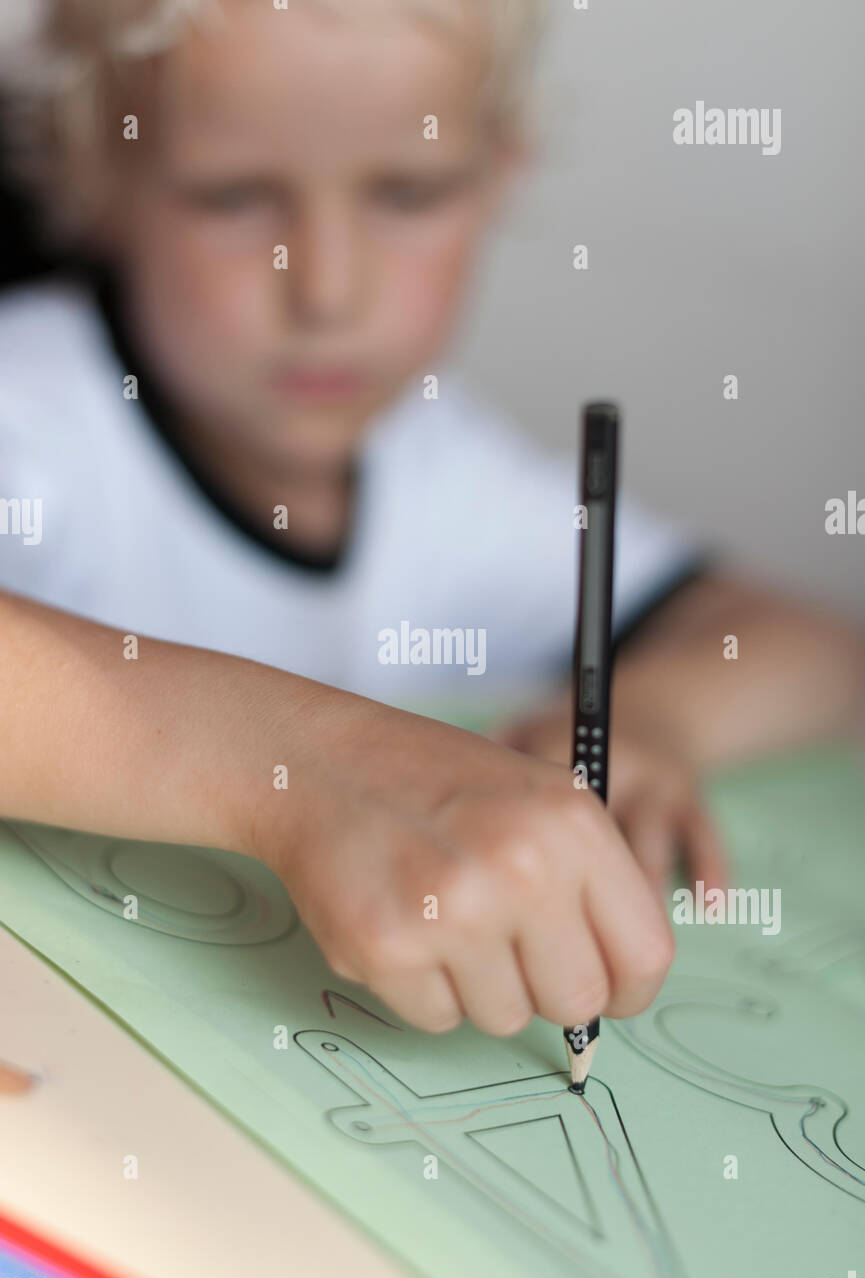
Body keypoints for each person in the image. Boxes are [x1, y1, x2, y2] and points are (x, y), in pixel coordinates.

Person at [0, 0, 860, 1038]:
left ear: (503, 169)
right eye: (232, 197)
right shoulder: (34, 414)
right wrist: (305, 768)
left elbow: (818, 654)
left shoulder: (440, 465)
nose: (325, 286)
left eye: (406, 191)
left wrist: (653, 719)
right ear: (98, 179)